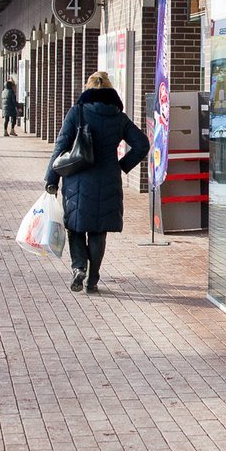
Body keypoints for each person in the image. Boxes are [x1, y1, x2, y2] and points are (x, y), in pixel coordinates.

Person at [44, 70, 150, 295]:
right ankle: (93, 280)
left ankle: (79, 266)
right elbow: (142, 144)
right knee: (98, 231)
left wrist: (52, 179)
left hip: (77, 180)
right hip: (108, 179)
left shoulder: (78, 112)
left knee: (75, 227)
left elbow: (60, 146)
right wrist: (122, 166)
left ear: (87, 89)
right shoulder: (118, 117)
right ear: (110, 90)